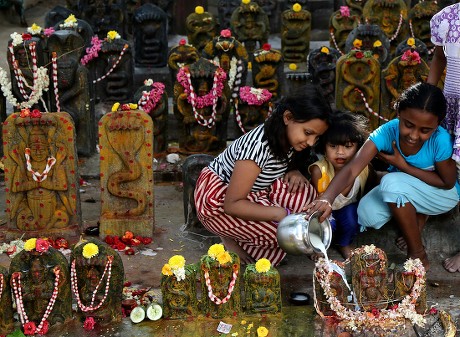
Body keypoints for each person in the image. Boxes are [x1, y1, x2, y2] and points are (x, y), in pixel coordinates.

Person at [304, 82, 460, 270]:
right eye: (408, 125)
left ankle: (418, 253)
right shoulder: (387, 132)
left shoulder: (440, 140)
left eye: (425, 130)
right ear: (398, 113)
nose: (413, 135)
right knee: (366, 214)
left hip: (443, 195)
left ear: (437, 125)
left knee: (390, 182)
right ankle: (415, 217)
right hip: (405, 189)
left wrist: (402, 165)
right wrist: (328, 198)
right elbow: (353, 168)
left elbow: (447, 182)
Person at [194, 85, 332, 266]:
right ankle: (229, 237)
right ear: (288, 118)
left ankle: (253, 230)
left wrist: (293, 170)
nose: (311, 142)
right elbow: (232, 204)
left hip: (256, 189)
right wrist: (278, 214)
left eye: (317, 137)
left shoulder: (286, 137)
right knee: (280, 235)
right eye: (308, 133)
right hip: (218, 200)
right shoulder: (257, 149)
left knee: (307, 197)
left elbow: (280, 167)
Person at [308, 111, 371, 259]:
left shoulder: (363, 169)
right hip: (324, 212)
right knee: (324, 222)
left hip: (347, 209)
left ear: (358, 148)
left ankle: (344, 243)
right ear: (324, 148)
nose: (340, 152)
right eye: (333, 146)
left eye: (348, 146)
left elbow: (372, 184)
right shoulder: (319, 170)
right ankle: (319, 246)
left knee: (351, 219)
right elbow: (315, 202)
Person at [427, 3, 460, 273]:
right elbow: (439, 58)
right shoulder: (446, 18)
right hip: (451, 105)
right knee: (436, 161)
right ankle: (418, 221)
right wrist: (428, 95)